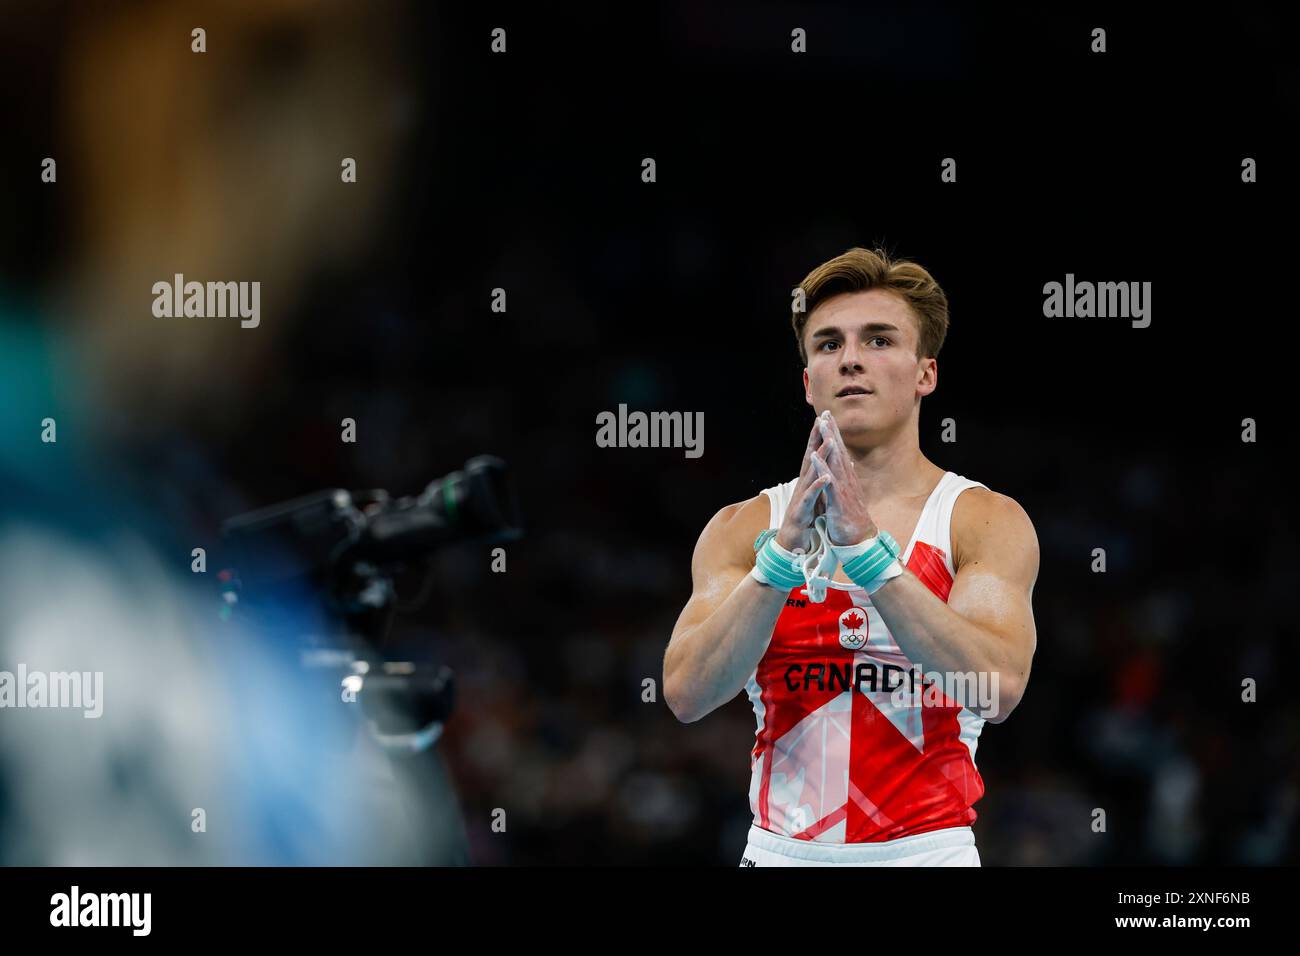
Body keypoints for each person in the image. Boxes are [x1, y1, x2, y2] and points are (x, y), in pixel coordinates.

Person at [664, 247, 1039, 866]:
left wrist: (867, 555)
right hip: (779, 853)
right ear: (808, 380)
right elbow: (685, 693)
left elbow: (996, 690)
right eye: (829, 344)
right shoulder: (744, 528)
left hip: (926, 854)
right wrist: (778, 559)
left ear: (926, 374)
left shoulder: (981, 520)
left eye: (879, 340)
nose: (852, 359)